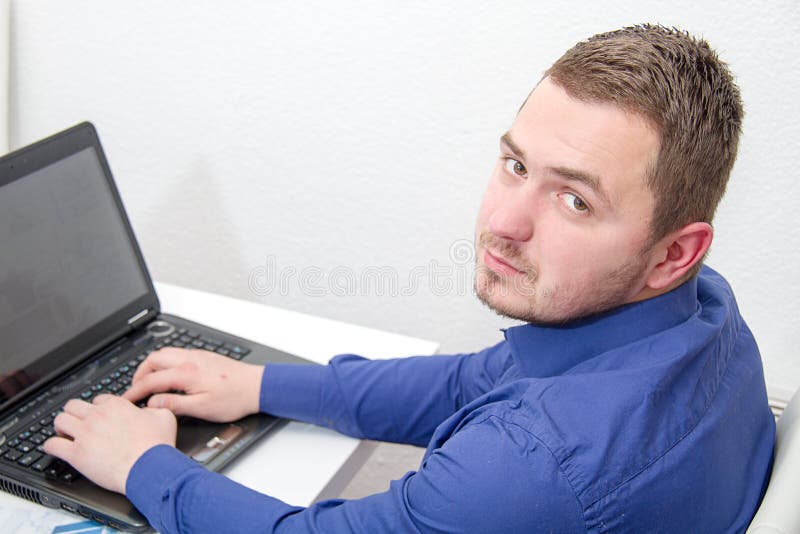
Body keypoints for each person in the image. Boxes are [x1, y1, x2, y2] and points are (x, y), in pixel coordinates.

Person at [43, 24, 774, 532]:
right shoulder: (703, 312)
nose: (505, 222)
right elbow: (471, 382)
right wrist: (260, 385)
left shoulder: (535, 468)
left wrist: (143, 464)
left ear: (674, 252)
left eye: (574, 200)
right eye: (516, 165)